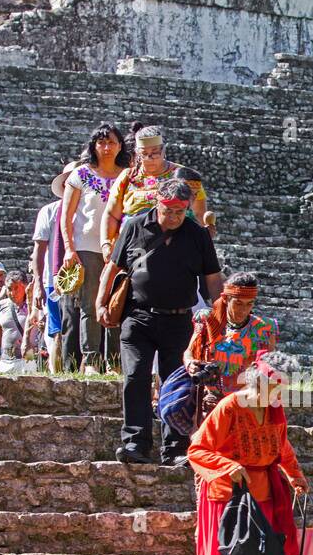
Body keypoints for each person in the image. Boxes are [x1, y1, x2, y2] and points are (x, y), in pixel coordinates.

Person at [188, 350, 309, 555]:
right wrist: (229, 468)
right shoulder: (230, 407)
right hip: (228, 501)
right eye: (278, 387)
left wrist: (295, 476)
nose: (282, 394)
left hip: (265, 496)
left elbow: (282, 448)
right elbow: (197, 450)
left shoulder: (274, 412)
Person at [100, 178, 224, 466]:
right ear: (157, 202)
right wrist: (101, 302)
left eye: (180, 212)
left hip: (179, 320)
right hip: (137, 316)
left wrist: (220, 316)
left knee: (176, 384)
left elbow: (213, 279)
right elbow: (113, 267)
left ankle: (175, 448)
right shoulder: (133, 226)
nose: (174, 218)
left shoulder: (198, 236)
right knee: (135, 377)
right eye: (169, 211)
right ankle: (135, 443)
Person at [59, 122, 131, 373]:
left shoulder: (129, 175)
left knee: (116, 304)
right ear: (94, 145)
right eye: (101, 142)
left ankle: (113, 362)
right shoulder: (80, 175)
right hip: (87, 247)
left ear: (120, 145)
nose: (107, 147)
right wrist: (69, 249)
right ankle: (90, 359)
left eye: (111, 142)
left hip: (120, 248)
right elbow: (66, 217)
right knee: (90, 304)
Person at [100, 125, 214, 257]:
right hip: (132, 246)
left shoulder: (183, 175)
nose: (150, 158)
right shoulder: (128, 176)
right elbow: (111, 214)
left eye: (155, 152)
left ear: (163, 150)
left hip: (175, 246)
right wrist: (106, 244)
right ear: (137, 153)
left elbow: (200, 213)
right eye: (144, 154)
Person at [185, 272, 278, 419]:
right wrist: (190, 364)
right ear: (226, 299)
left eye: (249, 304)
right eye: (238, 303)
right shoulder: (206, 320)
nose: (243, 310)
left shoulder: (264, 329)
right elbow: (189, 352)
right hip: (209, 402)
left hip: (245, 405)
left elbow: (268, 368)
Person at [30, 193, 65, 372]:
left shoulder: (87, 209)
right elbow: (39, 250)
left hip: (83, 277)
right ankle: (57, 371)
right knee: (56, 330)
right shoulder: (50, 211)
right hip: (56, 280)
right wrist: (38, 285)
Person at [0, 271, 35, 374]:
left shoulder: (34, 307)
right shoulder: (1, 306)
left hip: (28, 360)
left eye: (16, 288)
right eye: (9, 289)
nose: (13, 293)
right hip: (5, 361)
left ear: (25, 287)